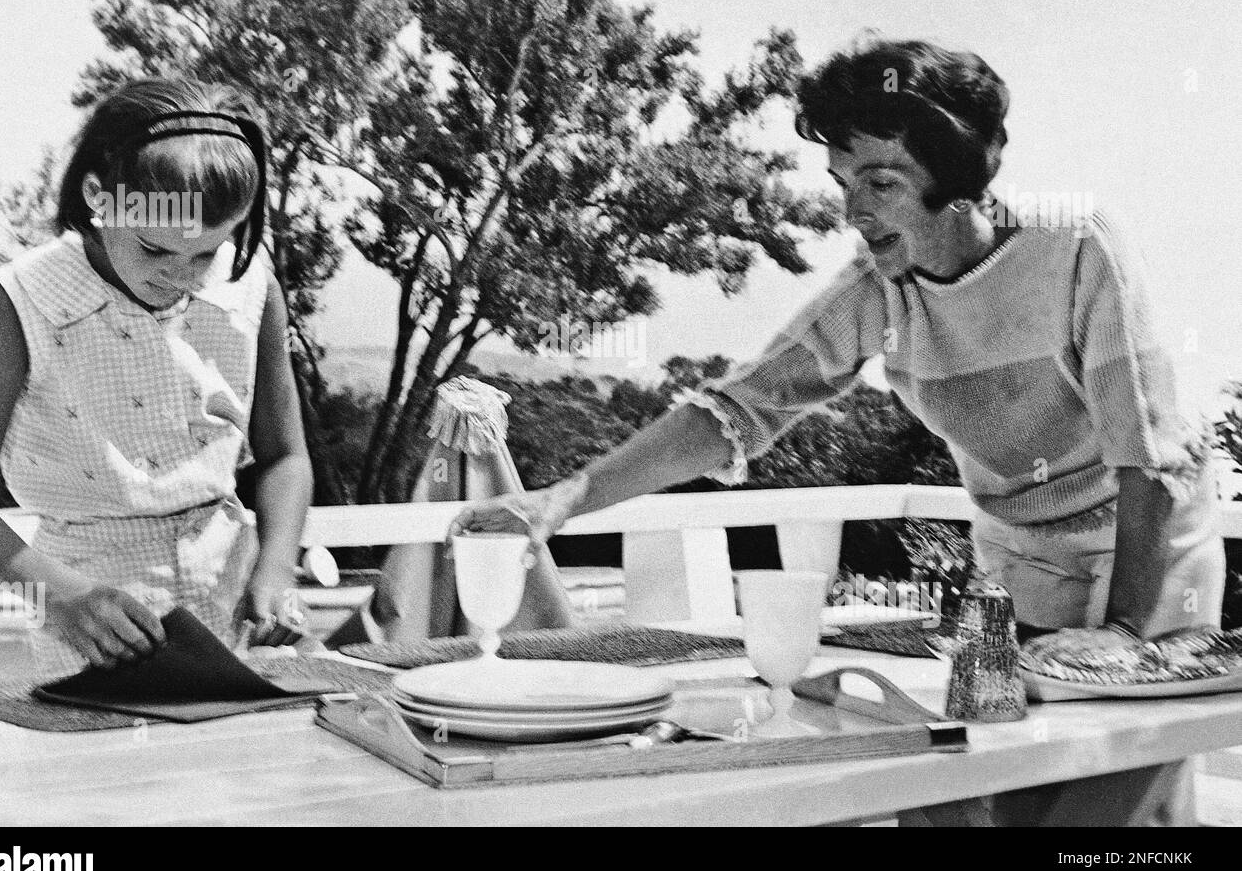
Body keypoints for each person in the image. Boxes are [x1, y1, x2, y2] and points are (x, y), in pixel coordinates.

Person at [448, 36, 1225, 655]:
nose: (851, 210)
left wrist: (1121, 637)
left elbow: (1144, 458)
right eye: (841, 181)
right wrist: (562, 501)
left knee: (1120, 815)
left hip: (1149, 552)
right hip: (1018, 560)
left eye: (880, 183)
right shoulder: (872, 291)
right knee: (996, 791)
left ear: (955, 179)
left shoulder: (1077, 251)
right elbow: (733, 413)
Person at [0, 77, 313, 674]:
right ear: (98, 196)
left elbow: (283, 457)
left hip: (231, 608)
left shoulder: (253, 287)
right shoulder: (17, 306)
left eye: (206, 253)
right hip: (84, 622)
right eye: (154, 249)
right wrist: (63, 600)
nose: (183, 278)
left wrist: (274, 569)